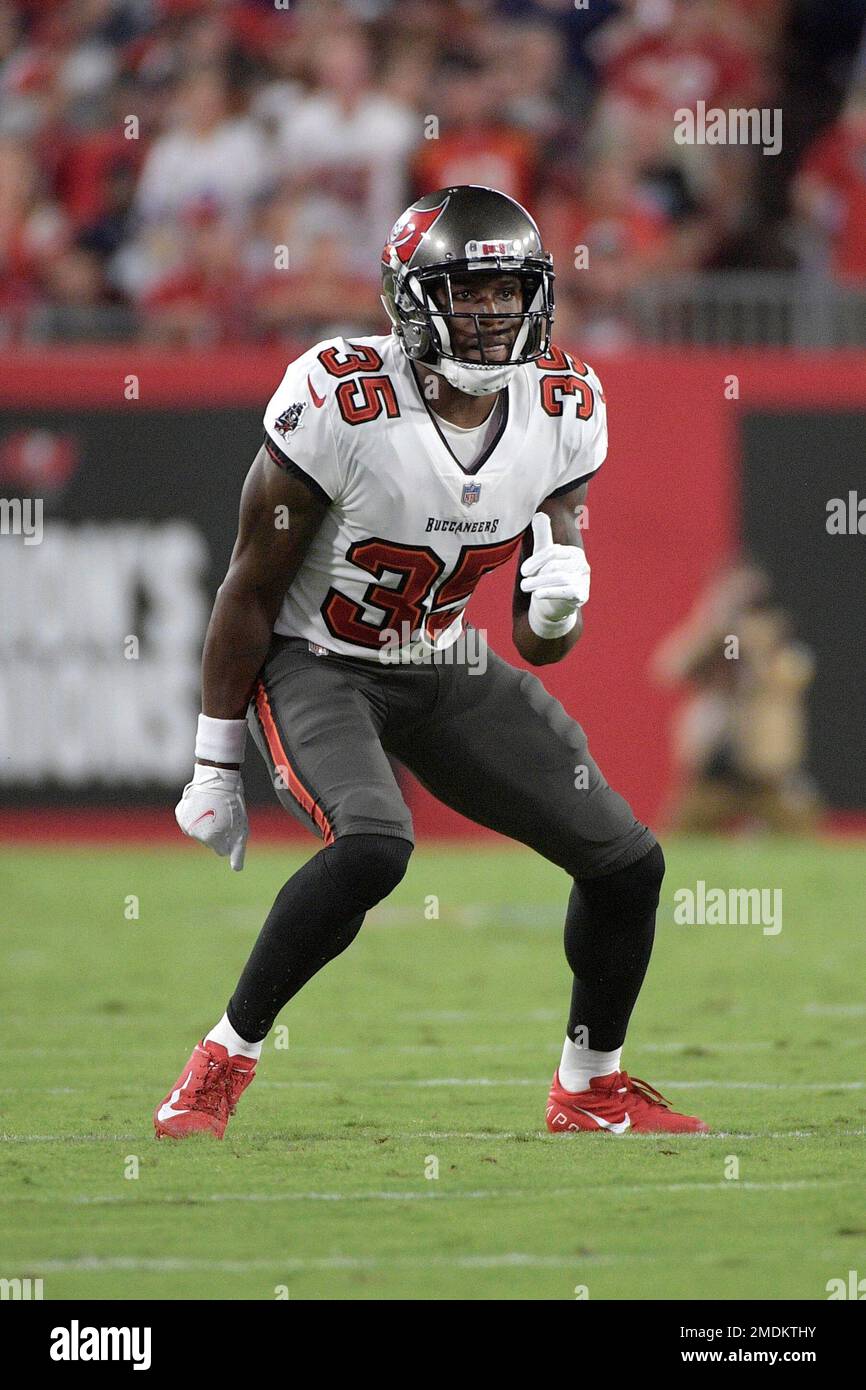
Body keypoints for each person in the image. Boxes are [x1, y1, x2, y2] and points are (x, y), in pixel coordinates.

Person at [155, 184, 707, 1140]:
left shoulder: (565, 407)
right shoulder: (341, 396)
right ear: (412, 300)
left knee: (626, 864)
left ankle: (590, 1087)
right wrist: (214, 761)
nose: (495, 315)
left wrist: (561, 599)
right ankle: (222, 1059)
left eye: (511, 292)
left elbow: (542, 641)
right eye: (469, 293)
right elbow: (247, 588)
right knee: (374, 844)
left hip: (441, 655)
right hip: (317, 659)